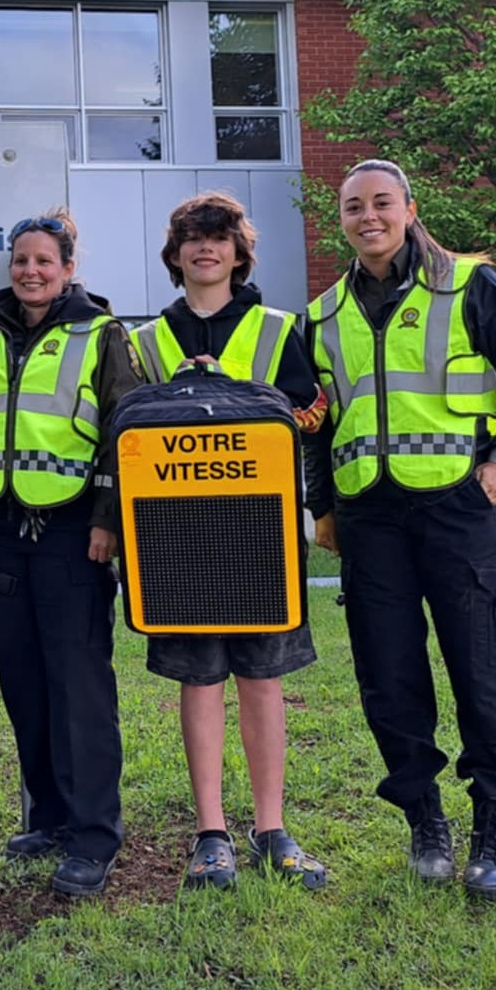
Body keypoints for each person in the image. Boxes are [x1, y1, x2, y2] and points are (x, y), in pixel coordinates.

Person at [305, 159, 496, 901]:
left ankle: (495, 826)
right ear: (339, 219)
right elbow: (313, 420)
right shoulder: (321, 314)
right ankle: (424, 820)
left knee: (481, 669)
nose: (367, 216)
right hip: (368, 516)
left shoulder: (469, 284)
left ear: (409, 207)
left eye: (381, 203)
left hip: (456, 506)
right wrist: (323, 506)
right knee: (389, 675)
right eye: (353, 207)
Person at [0, 209, 140, 898]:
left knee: (80, 686)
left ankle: (93, 836)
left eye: (45, 261)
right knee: (23, 684)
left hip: (75, 534)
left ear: (69, 269)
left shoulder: (102, 335)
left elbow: (122, 431)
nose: (30, 271)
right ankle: (48, 817)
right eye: (21, 260)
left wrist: (108, 520)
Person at [130, 191, 331, 893]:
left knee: (262, 680)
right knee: (199, 681)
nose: (205, 249)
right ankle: (210, 832)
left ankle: (272, 828)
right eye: (192, 239)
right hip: (173, 538)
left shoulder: (279, 330)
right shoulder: (147, 340)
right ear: (176, 255)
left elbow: (313, 416)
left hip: (263, 533)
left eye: (218, 238)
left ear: (240, 252)